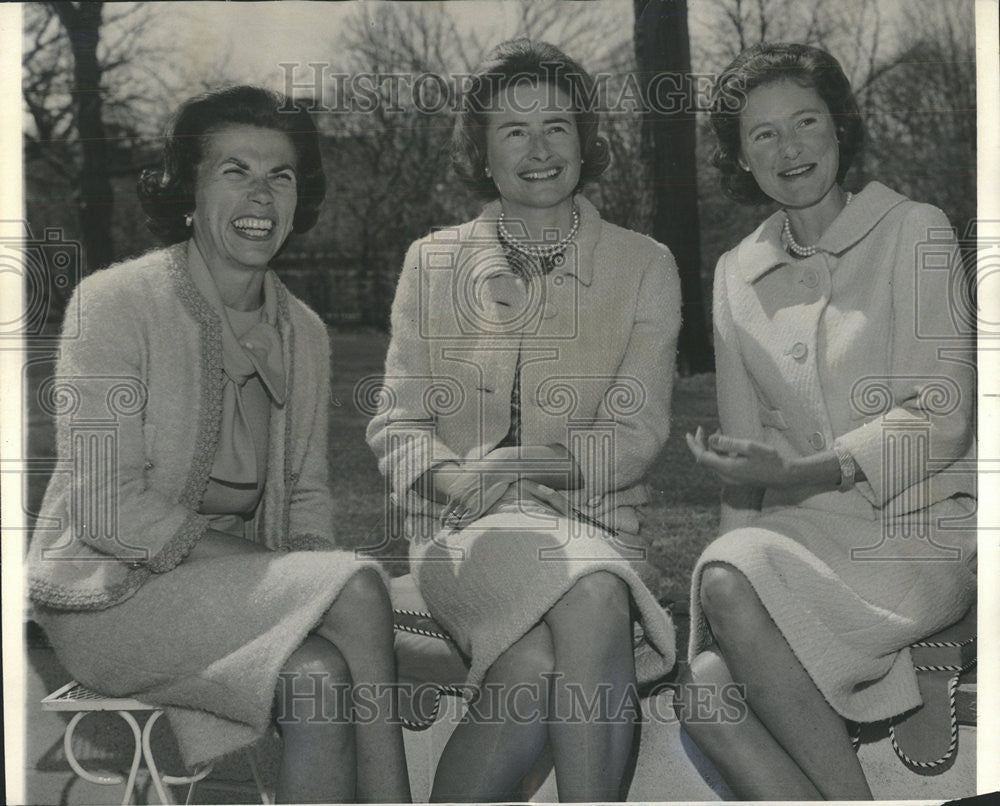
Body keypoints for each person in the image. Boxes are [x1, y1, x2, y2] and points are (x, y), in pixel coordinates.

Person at [27, 86, 411, 805]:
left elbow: (305, 494)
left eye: (282, 175)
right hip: (109, 602)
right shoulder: (114, 304)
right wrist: (295, 575)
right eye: (235, 170)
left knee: (320, 675)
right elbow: (107, 511)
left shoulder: (305, 332)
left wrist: (299, 571)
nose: (261, 195)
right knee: (356, 583)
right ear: (188, 189)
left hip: (233, 596)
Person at [366, 39, 681, 803]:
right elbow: (398, 423)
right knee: (593, 594)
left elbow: (633, 437)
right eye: (514, 131)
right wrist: (459, 481)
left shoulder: (644, 264)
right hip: (461, 534)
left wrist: (517, 465)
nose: (539, 150)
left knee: (546, 649)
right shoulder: (434, 262)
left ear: (584, 141)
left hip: (602, 526)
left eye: (557, 127)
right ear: (482, 154)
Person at [681, 43, 976, 800]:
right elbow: (745, 472)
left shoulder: (915, 230)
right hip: (798, 545)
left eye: (806, 121)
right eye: (763, 134)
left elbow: (942, 413)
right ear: (741, 158)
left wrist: (807, 472)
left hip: (915, 536)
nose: (791, 148)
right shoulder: (734, 274)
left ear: (840, 127)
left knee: (727, 575)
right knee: (705, 689)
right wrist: (728, 602)